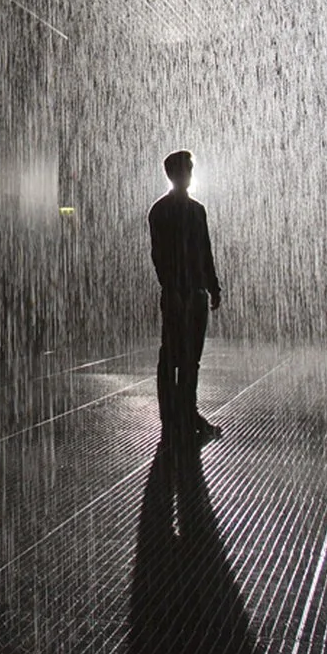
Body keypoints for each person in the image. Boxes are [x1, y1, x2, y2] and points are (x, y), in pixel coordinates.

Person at [147, 150, 223, 442]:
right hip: (184, 293)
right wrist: (177, 289)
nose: (189, 175)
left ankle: (182, 415)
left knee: (184, 358)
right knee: (177, 357)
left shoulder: (182, 210)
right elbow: (163, 256)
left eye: (191, 169)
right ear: (175, 174)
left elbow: (204, 251)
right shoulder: (169, 211)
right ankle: (176, 418)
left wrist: (211, 287)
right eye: (187, 169)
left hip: (191, 293)